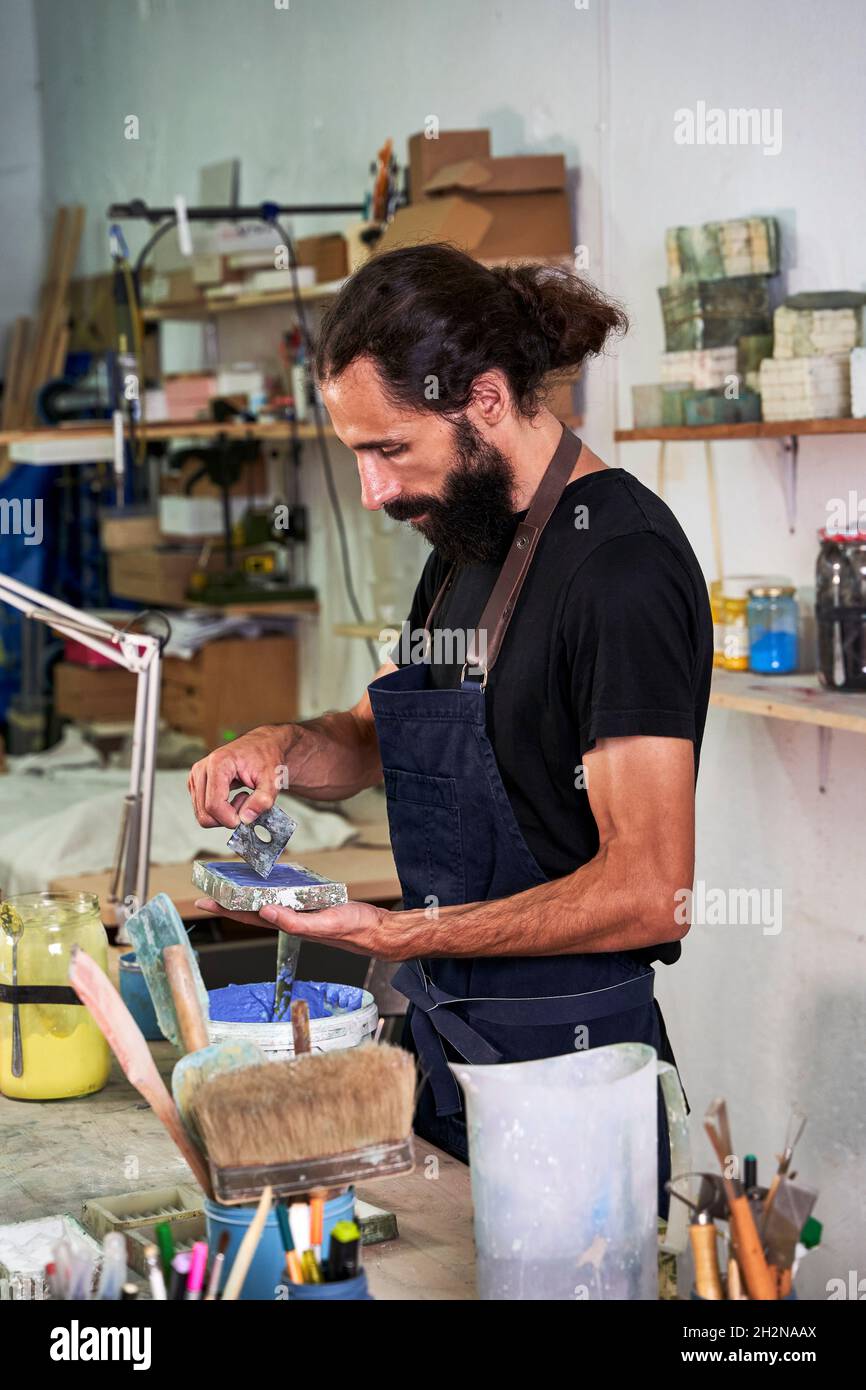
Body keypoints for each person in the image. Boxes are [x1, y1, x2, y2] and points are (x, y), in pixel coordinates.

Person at [188, 244, 713, 1210]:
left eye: (389, 449)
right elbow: (371, 734)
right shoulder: (467, 537)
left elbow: (650, 892)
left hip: (569, 1085)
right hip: (445, 1061)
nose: (373, 492)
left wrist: (405, 934)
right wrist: (282, 749)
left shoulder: (621, 570)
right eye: (357, 453)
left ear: (483, 399)